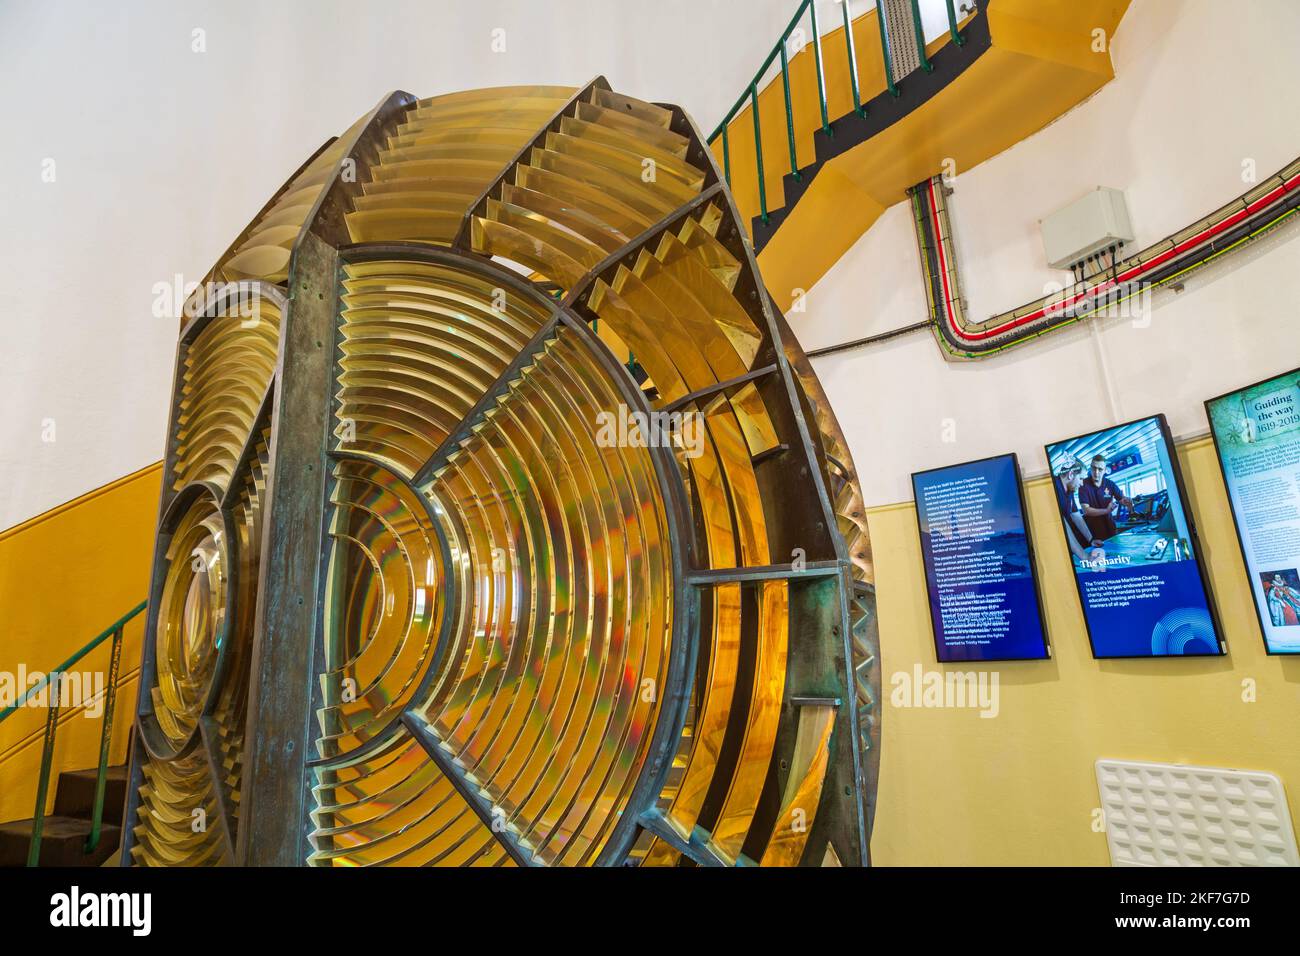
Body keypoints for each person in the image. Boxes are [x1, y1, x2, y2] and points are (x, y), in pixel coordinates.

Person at [1055, 464, 1105, 566]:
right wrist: (1084, 556)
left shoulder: (1069, 490)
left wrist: (1091, 539)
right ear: (1070, 474)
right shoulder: (1054, 487)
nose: (1082, 483)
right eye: (1081, 478)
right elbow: (1061, 524)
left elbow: (1076, 515)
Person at [1077, 455, 1132, 542]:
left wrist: (1126, 501)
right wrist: (1106, 511)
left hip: (1110, 528)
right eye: (1094, 468)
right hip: (1093, 533)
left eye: (1100, 469)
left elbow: (1121, 499)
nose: (1096, 472)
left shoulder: (1110, 484)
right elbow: (1086, 510)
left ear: (1105, 470)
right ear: (1090, 468)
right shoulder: (1082, 485)